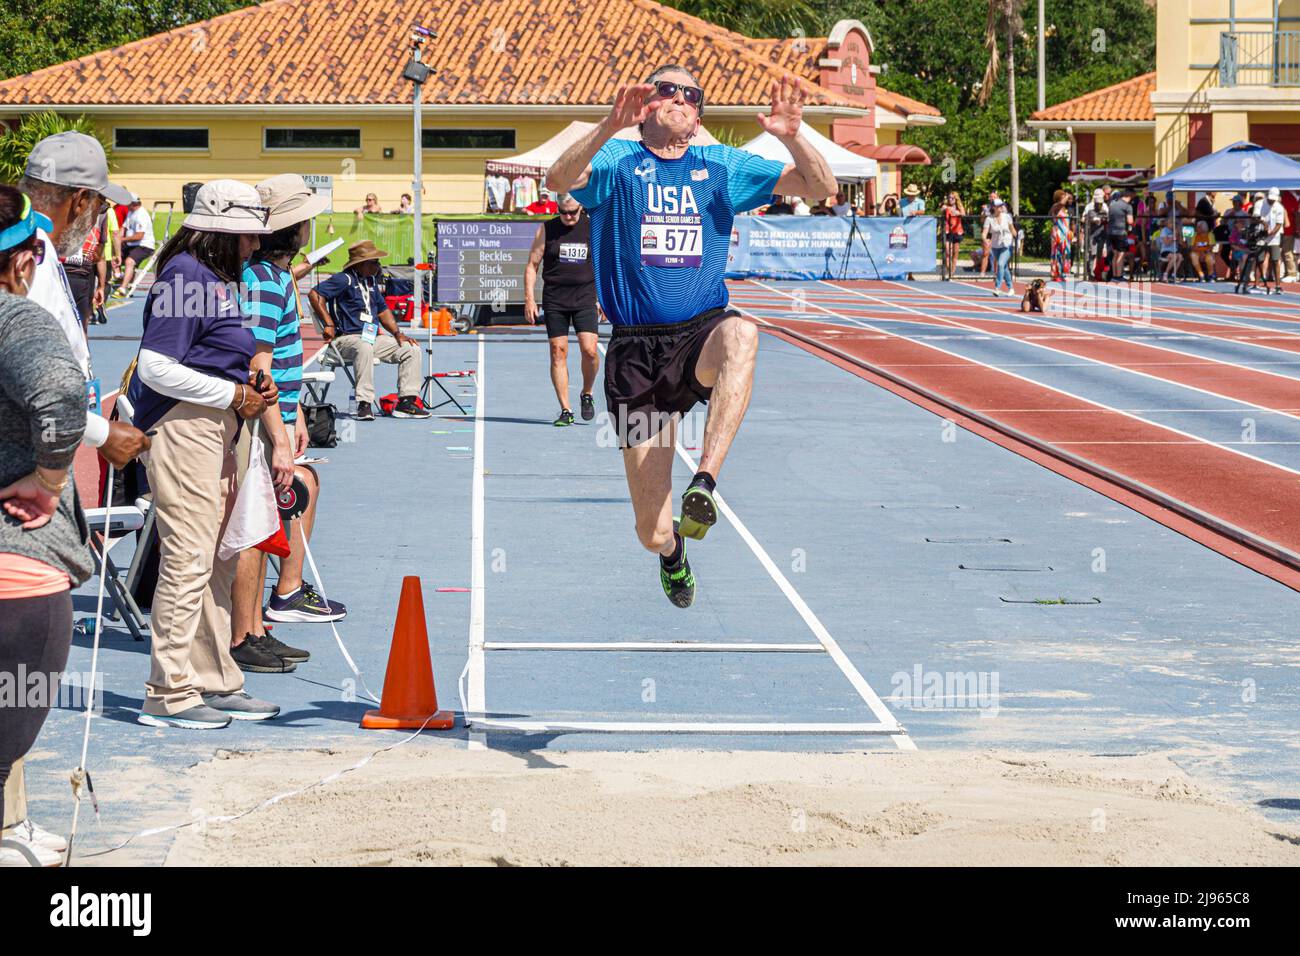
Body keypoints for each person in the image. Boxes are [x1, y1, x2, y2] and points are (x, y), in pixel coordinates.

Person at [547, 68, 834, 607]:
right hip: (635, 350)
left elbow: (822, 188)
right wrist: (610, 124)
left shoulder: (720, 165)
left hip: (698, 334)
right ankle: (674, 554)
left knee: (743, 335)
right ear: (645, 107)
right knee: (649, 531)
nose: (679, 98)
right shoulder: (616, 162)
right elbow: (556, 181)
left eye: (690, 95)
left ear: (698, 115)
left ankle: (705, 481)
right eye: (666, 91)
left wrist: (794, 134)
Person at [125, 179, 282, 729]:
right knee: (190, 558)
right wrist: (234, 394)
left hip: (213, 426)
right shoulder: (186, 275)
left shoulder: (205, 277)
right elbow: (155, 367)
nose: (254, 247)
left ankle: (212, 679)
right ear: (219, 233)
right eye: (245, 237)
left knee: (214, 557)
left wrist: (247, 389)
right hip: (184, 427)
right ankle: (167, 693)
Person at [0, 186, 98, 867]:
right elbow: (63, 393)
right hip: (16, 574)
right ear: (24, 260)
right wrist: (52, 480)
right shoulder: (18, 321)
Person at [230, 174, 344, 677]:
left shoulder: (273, 277)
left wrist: (293, 420)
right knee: (260, 523)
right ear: (292, 225)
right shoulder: (261, 281)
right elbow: (259, 368)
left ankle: (261, 623)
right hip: (259, 423)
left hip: (278, 418)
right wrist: (279, 435)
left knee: (277, 512)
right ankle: (251, 627)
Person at [18, 132, 150, 472]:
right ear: (79, 202)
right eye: (101, 206)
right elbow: (27, 375)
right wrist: (103, 433)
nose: (97, 218)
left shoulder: (32, 246)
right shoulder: (33, 257)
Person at [307, 241, 430, 420]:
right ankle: (364, 404)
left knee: (411, 348)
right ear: (361, 264)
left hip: (370, 338)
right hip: (345, 340)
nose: (378, 266)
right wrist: (329, 324)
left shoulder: (371, 281)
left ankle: (406, 402)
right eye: (374, 262)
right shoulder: (344, 279)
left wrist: (397, 333)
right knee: (364, 346)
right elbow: (315, 294)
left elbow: (383, 310)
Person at [523, 194, 601, 426]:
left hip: (585, 296)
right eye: (563, 212)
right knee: (558, 351)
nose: (567, 217)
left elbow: (604, 265)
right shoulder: (547, 229)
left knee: (590, 350)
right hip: (556, 298)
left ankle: (587, 392)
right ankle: (566, 409)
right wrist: (529, 299)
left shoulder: (592, 227)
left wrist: (604, 299)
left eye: (572, 212)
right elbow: (532, 265)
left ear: (581, 208)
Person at [112, 194, 155, 296]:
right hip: (132, 244)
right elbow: (124, 228)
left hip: (145, 246)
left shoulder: (141, 215)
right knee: (113, 254)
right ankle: (118, 275)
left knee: (129, 262)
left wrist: (122, 239)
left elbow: (139, 236)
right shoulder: (131, 213)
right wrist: (117, 238)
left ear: (133, 203)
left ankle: (122, 288)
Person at [983, 198, 1016, 296]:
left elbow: (1012, 229)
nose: (1001, 207)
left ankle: (997, 287)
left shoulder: (1007, 217)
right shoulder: (989, 219)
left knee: (1001, 264)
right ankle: (1011, 288)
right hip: (995, 246)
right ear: (994, 207)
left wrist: (1017, 237)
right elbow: (984, 233)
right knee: (1004, 267)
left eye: (1002, 205)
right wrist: (985, 240)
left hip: (1007, 244)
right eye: (999, 205)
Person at [1107, 186, 1135, 281]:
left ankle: (1114, 276)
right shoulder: (1127, 206)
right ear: (1130, 195)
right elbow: (1130, 221)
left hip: (1111, 232)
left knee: (1115, 254)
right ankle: (1118, 276)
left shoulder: (1113, 204)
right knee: (1121, 254)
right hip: (1121, 232)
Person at [1082, 188, 1109, 281]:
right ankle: (1091, 273)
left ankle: (1098, 273)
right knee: (1092, 254)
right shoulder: (1090, 210)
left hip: (1101, 235)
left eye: (1100, 203)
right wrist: (1094, 219)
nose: (1099, 205)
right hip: (1092, 236)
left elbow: (1107, 218)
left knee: (1100, 255)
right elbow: (1087, 218)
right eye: (1097, 203)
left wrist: (1104, 220)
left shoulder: (1104, 210)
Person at [1048, 189, 1073, 281]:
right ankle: (1055, 273)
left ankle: (1065, 273)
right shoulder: (1056, 206)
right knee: (1056, 253)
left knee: (1065, 253)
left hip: (1065, 233)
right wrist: (1067, 196)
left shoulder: (1064, 209)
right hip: (1058, 233)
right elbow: (1062, 203)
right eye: (1064, 196)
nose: (1066, 199)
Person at [941, 191, 965, 278]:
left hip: (957, 231)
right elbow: (942, 209)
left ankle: (952, 272)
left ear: (956, 199)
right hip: (948, 231)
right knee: (948, 252)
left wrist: (957, 212)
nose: (950, 199)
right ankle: (949, 270)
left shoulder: (959, 207)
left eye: (952, 198)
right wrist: (945, 209)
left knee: (955, 253)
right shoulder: (946, 206)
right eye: (949, 198)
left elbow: (963, 213)